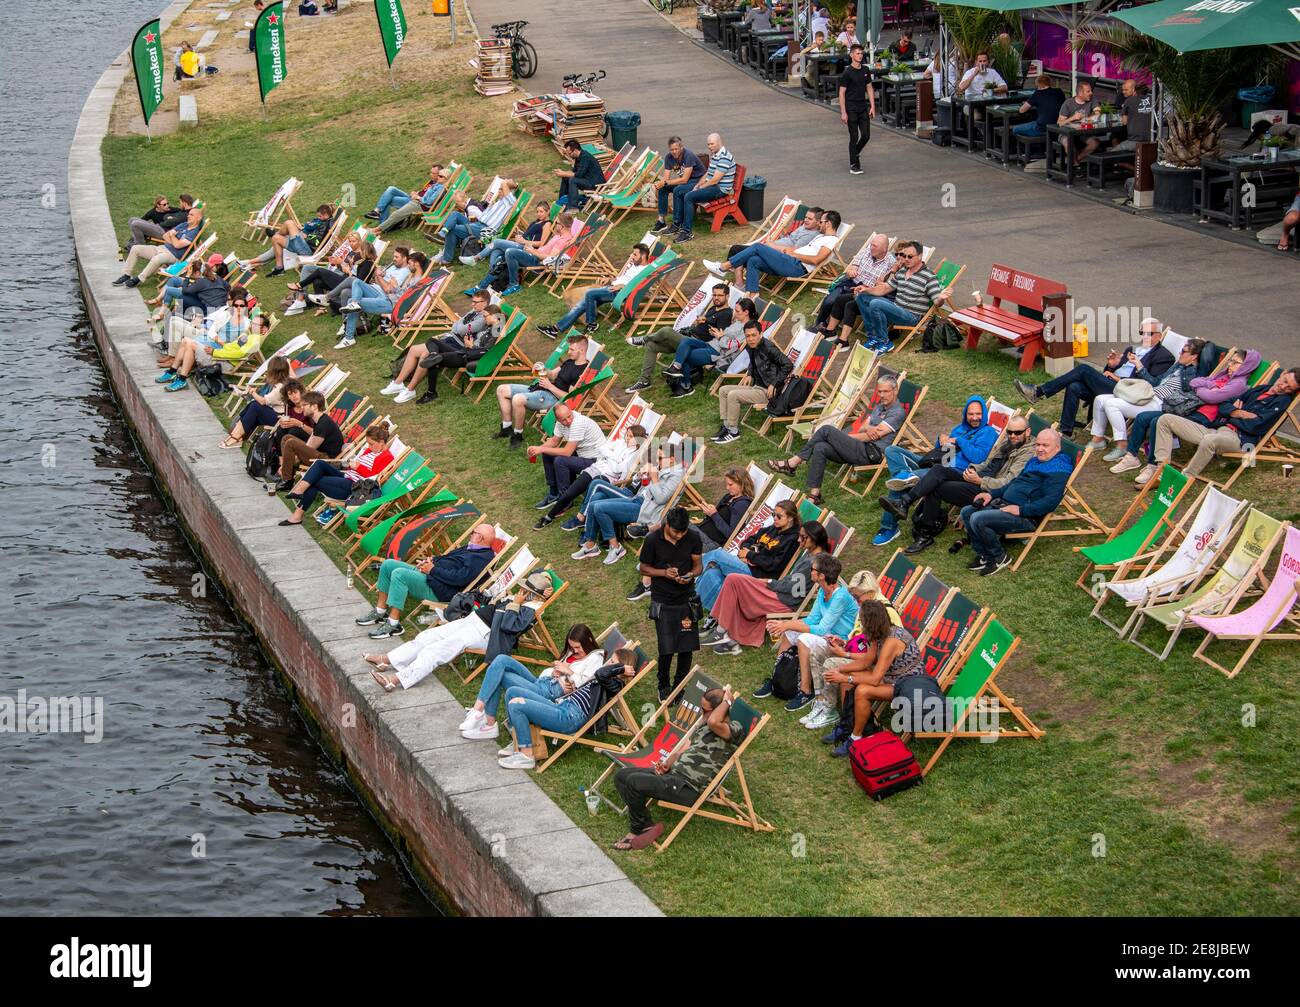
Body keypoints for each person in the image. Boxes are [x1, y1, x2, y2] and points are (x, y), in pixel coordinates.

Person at [365, 573, 554, 692]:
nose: (520, 590)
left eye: (525, 589)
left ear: (531, 594)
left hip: (484, 634)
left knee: (435, 651)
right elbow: (541, 575)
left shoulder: (532, 609)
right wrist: (543, 580)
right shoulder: (525, 600)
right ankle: (387, 660)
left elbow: (510, 627)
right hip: (471, 622)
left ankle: (395, 680)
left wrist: (515, 603)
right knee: (427, 637)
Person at [611, 684, 746, 849]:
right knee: (622, 776)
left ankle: (639, 829)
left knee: (633, 782)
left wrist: (728, 701)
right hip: (673, 775)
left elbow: (713, 721)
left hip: (688, 788)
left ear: (721, 710)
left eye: (705, 710)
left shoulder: (734, 729)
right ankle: (645, 823)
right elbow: (690, 750)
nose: (702, 713)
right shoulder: (705, 726)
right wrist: (669, 762)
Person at [886, 415, 1034, 555]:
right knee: (938, 470)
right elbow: (985, 463)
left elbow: (1009, 481)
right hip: (968, 473)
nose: (1013, 435)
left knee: (936, 486)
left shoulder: (1021, 449)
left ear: (1028, 431)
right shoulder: (968, 431)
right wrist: (973, 470)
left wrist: (980, 480)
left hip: (989, 491)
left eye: (1018, 432)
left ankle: (925, 535)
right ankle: (905, 502)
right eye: (1010, 432)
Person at [1013, 318, 1173, 437]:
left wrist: (1130, 372)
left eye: (1148, 333)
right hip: (1110, 386)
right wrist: (1111, 365)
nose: (1144, 336)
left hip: (1127, 393)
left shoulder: (1163, 356)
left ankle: (1038, 392)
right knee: (1074, 385)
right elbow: (1107, 373)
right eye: (1141, 332)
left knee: (1083, 369)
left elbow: (1150, 385)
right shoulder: (1132, 348)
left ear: (1158, 336)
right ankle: (1066, 430)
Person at [875, 395, 999, 545]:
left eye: (978, 414)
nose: (974, 417)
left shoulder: (989, 433)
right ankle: (906, 476)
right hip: (937, 463)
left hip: (951, 472)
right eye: (970, 414)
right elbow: (940, 452)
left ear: (984, 414)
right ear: (965, 414)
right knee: (892, 450)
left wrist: (958, 440)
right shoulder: (959, 428)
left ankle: (889, 528)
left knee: (899, 483)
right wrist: (941, 439)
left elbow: (978, 457)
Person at [768, 373, 904, 507]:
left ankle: (794, 462)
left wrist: (845, 438)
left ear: (895, 390)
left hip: (871, 453)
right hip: (859, 447)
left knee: (826, 430)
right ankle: (815, 495)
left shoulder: (897, 412)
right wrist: (868, 428)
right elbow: (864, 428)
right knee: (820, 447)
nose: (882, 395)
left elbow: (870, 436)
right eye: (879, 391)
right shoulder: (880, 407)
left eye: (886, 391)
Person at [496, 648, 639, 771]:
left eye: (613, 662)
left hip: (569, 717)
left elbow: (601, 674)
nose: (608, 663)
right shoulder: (607, 677)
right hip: (561, 706)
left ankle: (526, 755)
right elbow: (600, 674)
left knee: (516, 705)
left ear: (624, 667)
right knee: (513, 692)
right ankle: (518, 742)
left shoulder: (615, 684)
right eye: (611, 661)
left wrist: (619, 669)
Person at [1148, 368, 1299, 483]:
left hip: (1239, 440)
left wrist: (1233, 413)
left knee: (1209, 441)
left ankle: (1184, 479)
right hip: (1217, 429)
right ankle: (1160, 472)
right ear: (1283, 373)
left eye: (1289, 388)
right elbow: (1224, 405)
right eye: (1284, 380)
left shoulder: (1282, 402)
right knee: (1166, 419)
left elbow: (1256, 426)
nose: (1283, 387)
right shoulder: (1262, 389)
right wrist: (1239, 413)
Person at [457, 624, 605, 740]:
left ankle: (486, 721)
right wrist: (554, 672)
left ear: (589, 641)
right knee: (501, 660)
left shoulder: (595, 658)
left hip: (548, 693)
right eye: (571, 647)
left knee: (500, 673)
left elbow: (588, 684)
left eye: (577, 647)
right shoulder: (573, 652)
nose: (574, 650)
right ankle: (479, 712)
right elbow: (557, 671)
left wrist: (568, 672)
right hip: (542, 682)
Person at [959, 427, 1073, 575]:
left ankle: (999, 557)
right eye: (1037, 444)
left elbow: (1051, 501)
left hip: (1026, 517)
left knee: (978, 518)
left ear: (1057, 448)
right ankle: (984, 555)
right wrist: (991, 495)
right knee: (967, 512)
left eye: (1045, 445)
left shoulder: (1059, 469)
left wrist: (1021, 510)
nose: (1039, 449)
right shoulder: (1034, 462)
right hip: (1004, 505)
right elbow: (1013, 483)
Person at [704, 520, 829, 655]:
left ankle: (721, 631)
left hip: (783, 601)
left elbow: (794, 589)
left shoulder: (813, 563)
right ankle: (722, 630)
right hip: (779, 592)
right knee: (733, 580)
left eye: (803, 537)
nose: (799, 540)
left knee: (734, 580)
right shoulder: (809, 553)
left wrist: (769, 582)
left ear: (814, 538)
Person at [355, 521, 499, 637]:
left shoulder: (481, 559)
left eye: (474, 532)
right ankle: (380, 612)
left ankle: (393, 624)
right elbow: (448, 558)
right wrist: (432, 561)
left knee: (399, 574)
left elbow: (459, 579)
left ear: (479, 537)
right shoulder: (472, 548)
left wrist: (433, 569)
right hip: (432, 575)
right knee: (388, 564)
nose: (471, 534)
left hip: (440, 589)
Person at [752, 554, 856, 712]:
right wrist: (786, 626)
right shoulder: (822, 591)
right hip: (827, 633)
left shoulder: (840, 597)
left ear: (821, 575)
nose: (810, 572)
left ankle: (806, 691)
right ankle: (777, 680)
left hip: (840, 640)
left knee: (804, 640)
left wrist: (786, 624)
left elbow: (820, 629)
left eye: (812, 569)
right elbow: (812, 619)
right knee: (790, 633)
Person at [821, 599, 922, 757]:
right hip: (890, 678)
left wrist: (844, 678)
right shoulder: (880, 634)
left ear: (871, 622)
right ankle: (847, 726)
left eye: (863, 620)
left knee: (862, 690)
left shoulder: (892, 641)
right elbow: (867, 661)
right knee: (847, 677)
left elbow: (875, 679)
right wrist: (840, 669)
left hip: (906, 685)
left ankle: (856, 738)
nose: (861, 623)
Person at [1088, 338, 1205, 463]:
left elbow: (1190, 394)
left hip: (1158, 403)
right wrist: (1138, 364)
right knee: (1100, 399)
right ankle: (1098, 439)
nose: (1180, 353)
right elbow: (1155, 382)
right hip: (1148, 395)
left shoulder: (1193, 375)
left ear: (1194, 357)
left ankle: (1122, 445)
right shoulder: (1178, 366)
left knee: (1111, 404)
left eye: (1184, 351)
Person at [572, 444, 685, 565]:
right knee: (594, 502)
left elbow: (661, 499)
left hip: (645, 509)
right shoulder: (663, 467)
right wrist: (643, 477)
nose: (658, 461)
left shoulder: (676, 475)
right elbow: (647, 487)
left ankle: (615, 548)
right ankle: (590, 545)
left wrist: (655, 478)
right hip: (638, 500)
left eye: (661, 458)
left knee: (599, 507)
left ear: (672, 459)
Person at [380, 291, 495, 403]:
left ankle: (410, 389)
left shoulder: (481, 319)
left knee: (426, 354)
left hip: (458, 344)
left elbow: (459, 329)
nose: (472, 304)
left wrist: (458, 325)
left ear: (485, 303)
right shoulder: (474, 311)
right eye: (472, 301)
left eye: (476, 302)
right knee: (414, 349)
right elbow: (455, 325)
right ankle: (398, 383)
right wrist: (458, 324)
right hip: (451, 338)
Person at [637, 507, 704, 700]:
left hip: (686, 598)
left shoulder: (692, 538)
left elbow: (698, 565)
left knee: (686, 646)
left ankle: (680, 685)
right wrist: (663, 573)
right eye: (676, 532)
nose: (679, 535)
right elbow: (643, 568)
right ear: (667, 525)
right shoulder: (652, 540)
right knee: (666, 648)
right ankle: (663, 684)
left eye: (683, 532)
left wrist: (690, 575)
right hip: (663, 599)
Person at [279, 422, 395, 528]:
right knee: (319, 463)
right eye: (368, 444)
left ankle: (297, 512)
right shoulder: (370, 451)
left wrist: (358, 467)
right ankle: (298, 493)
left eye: (371, 444)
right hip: (346, 476)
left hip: (354, 487)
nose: (369, 447)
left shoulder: (387, 457)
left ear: (381, 442)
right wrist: (350, 464)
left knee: (313, 481)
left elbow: (372, 479)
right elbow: (356, 466)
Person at [625, 282, 733, 393]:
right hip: (687, 338)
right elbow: (706, 324)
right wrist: (701, 321)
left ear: (727, 296)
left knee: (666, 331)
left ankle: (644, 339)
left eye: (720, 295)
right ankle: (644, 382)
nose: (716, 298)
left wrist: (707, 323)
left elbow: (719, 336)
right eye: (714, 295)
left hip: (696, 344)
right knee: (652, 346)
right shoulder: (713, 309)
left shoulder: (727, 314)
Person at [536, 424, 648, 531]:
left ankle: (581, 517)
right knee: (571, 491)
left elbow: (617, 469)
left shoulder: (635, 454)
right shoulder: (620, 442)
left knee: (593, 485)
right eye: (627, 435)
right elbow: (602, 448)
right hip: (595, 468)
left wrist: (608, 457)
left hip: (609, 478)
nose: (627, 438)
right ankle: (549, 516)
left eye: (631, 436)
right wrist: (614, 457)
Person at [702, 211, 841, 295]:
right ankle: (752, 293)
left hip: (796, 265)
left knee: (757, 247)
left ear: (828, 224)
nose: (819, 224)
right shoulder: (822, 237)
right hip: (791, 260)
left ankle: (723, 267)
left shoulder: (831, 241)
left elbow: (817, 260)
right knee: (753, 260)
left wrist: (794, 254)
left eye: (821, 222)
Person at [695, 499, 800, 610]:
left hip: (759, 574)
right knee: (712, 574)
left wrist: (750, 555)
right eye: (773, 514)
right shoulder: (774, 528)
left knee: (717, 555)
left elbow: (775, 565)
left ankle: (691, 576)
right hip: (747, 563)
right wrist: (745, 551)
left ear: (790, 518)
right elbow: (750, 539)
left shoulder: (793, 539)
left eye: (779, 516)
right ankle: (715, 612)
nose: (774, 518)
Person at [852, 239, 949, 352]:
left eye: (910, 256)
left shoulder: (929, 276)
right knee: (861, 297)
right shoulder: (903, 271)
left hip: (911, 316)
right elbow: (886, 288)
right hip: (896, 308)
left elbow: (937, 301)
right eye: (904, 255)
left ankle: (884, 342)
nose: (906, 259)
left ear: (920, 256)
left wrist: (941, 299)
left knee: (876, 303)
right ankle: (874, 337)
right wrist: (866, 290)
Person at [493, 334, 589, 448]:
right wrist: (542, 370)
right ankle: (506, 428)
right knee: (501, 390)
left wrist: (550, 387)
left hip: (553, 398)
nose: (568, 352)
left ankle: (517, 435)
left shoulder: (583, 372)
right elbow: (553, 374)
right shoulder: (569, 362)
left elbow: (569, 397)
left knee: (517, 399)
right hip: (541, 389)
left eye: (572, 349)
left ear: (582, 350)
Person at [537, 243, 650, 339]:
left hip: (621, 293)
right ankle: (555, 329)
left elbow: (639, 286)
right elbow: (623, 278)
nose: (632, 256)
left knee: (590, 294)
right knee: (581, 305)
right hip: (612, 287)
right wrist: (610, 279)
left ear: (643, 255)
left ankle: (592, 323)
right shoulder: (635, 265)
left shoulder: (646, 269)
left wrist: (622, 286)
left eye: (635, 254)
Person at [713, 319, 795, 444]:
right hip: (757, 387)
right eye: (747, 336)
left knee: (733, 395)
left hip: (769, 393)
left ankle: (733, 432)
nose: (750, 339)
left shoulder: (769, 348)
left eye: (753, 335)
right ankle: (727, 426)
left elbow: (788, 364)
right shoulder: (751, 346)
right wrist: (750, 373)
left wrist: (775, 383)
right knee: (723, 390)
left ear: (761, 334)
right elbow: (753, 361)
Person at [815, 231, 896, 348]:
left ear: (884, 249)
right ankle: (824, 327)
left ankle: (841, 338)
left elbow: (884, 287)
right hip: (851, 283)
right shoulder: (866, 252)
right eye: (871, 244)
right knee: (831, 300)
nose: (871, 248)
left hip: (867, 291)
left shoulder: (891, 264)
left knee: (848, 304)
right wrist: (851, 271)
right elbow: (853, 267)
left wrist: (868, 288)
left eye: (875, 246)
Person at [662, 296, 752, 396]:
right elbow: (726, 336)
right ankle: (676, 367)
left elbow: (733, 346)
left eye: (737, 311)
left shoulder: (748, 329)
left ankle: (686, 386)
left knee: (687, 355)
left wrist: (720, 337)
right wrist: (717, 333)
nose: (735, 313)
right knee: (686, 341)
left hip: (719, 353)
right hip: (712, 344)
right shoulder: (738, 321)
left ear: (746, 312)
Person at [336, 246, 421, 349]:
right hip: (388, 297)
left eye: (410, 263)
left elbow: (405, 299)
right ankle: (352, 315)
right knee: (356, 283)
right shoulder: (412, 277)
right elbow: (397, 291)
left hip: (392, 304)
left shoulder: (418, 282)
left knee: (351, 300)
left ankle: (349, 337)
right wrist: (395, 287)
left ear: (416, 264)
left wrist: (395, 288)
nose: (408, 264)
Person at [527, 404, 608, 511]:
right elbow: (554, 441)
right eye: (564, 420)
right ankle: (553, 494)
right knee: (548, 453)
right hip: (582, 455)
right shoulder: (560, 423)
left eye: (569, 416)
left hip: (597, 461)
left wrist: (542, 449)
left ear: (571, 411)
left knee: (560, 460)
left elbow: (567, 452)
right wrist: (537, 449)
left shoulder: (578, 423)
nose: (568, 421)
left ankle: (565, 501)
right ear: (557, 419)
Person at [463, 200, 553, 290]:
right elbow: (529, 236)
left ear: (548, 211)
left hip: (527, 249)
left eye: (541, 211)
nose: (539, 214)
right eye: (537, 211)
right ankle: (492, 276)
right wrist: (519, 236)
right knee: (496, 251)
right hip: (520, 243)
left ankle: (475, 258)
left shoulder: (547, 224)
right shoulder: (536, 222)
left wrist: (524, 241)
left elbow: (542, 243)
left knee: (496, 242)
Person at [271, 390, 345, 493]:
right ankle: (286, 475)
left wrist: (289, 462)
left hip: (326, 460)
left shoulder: (323, 424)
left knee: (290, 443)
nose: (302, 408)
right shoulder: (319, 420)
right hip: (320, 454)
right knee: (286, 437)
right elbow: (309, 443)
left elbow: (309, 448)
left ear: (314, 406)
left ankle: (286, 480)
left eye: (304, 405)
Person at [114, 205, 203, 288]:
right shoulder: (184, 225)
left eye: (191, 215)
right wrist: (174, 240)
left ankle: (138, 279)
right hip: (162, 248)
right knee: (135, 248)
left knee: (157, 259)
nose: (188, 216)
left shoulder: (194, 232)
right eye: (188, 214)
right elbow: (165, 236)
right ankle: (126, 275)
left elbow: (178, 245)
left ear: (198, 218)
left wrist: (172, 236)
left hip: (173, 256)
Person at [220, 358, 295, 448]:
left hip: (280, 419)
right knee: (253, 406)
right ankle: (236, 436)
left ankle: (236, 437)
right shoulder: (289, 381)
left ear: (273, 372)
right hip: (279, 414)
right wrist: (288, 362)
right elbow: (294, 376)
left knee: (255, 406)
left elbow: (263, 401)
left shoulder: (280, 388)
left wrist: (252, 392)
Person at [675, 133, 736, 243]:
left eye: (712, 144)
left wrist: (701, 187)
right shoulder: (715, 155)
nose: (709, 146)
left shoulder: (724, 157)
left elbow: (715, 179)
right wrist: (698, 185)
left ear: (719, 142)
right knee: (679, 190)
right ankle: (677, 223)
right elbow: (708, 173)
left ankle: (686, 232)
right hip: (713, 186)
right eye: (708, 144)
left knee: (689, 196)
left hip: (720, 190)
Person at [498, 213, 577, 296]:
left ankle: (514, 284)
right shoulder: (559, 235)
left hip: (538, 261)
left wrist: (532, 251)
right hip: (535, 253)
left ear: (562, 226)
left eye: (556, 223)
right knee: (502, 254)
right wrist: (531, 249)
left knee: (510, 252)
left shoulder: (563, 240)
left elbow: (550, 258)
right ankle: (492, 284)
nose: (555, 225)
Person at [440, 179, 518, 264]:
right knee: (455, 214)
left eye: (501, 189)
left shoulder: (510, 202)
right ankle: (445, 232)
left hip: (484, 229)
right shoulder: (501, 201)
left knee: (452, 229)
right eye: (499, 189)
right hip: (477, 224)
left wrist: (512, 184)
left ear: (508, 192)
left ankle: (446, 257)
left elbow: (505, 182)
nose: (498, 191)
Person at [651, 136, 706, 235]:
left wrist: (666, 182)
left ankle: (677, 223)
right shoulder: (668, 157)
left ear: (681, 147)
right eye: (671, 149)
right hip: (687, 181)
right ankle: (661, 221)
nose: (674, 151)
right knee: (663, 188)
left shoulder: (688, 155)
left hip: (698, 181)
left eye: (676, 149)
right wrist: (660, 183)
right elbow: (666, 178)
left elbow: (684, 180)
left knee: (678, 190)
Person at [367, 163, 448, 227]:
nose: (430, 174)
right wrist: (416, 193)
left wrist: (417, 197)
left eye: (433, 173)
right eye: (430, 172)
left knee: (389, 198)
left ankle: (381, 219)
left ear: (439, 174)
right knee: (391, 189)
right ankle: (377, 212)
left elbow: (428, 201)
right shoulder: (432, 182)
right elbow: (424, 192)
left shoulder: (439, 186)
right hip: (413, 198)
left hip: (417, 202)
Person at [838, 44, 877, 176]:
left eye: (861, 53)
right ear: (851, 55)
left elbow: (870, 88)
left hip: (863, 107)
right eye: (857, 53)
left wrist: (872, 106)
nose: (860, 55)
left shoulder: (865, 70)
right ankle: (854, 164)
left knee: (866, 135)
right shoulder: (847, 72)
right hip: (851, 108)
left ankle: (855, 153)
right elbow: (842, 92)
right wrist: (843, 112)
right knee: (854, 136)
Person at [695, 468, 756, 550]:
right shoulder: (729, 496)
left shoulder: (741, 504)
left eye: (730, 485)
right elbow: (716, 517)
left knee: (676, 531)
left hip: (710, 542)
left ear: (742, 484)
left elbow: (731, 534)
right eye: (726, 484)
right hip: (701, 532)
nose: (727, 487)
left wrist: (714, 514)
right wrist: (709, 512)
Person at [124, 193, 194, 252]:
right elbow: (167, 217)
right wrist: (169, 217)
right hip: (159, 227)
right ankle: (133, 244)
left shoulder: (185, 214)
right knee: (132, 219)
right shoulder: (183, 211)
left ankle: (141, 249)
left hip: (164, 232)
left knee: (135, 224)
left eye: (180, 202)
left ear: (184, 203)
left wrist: (170, 218)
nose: (180, 204)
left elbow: (170, 222)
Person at [1057, 81, 1102, 165]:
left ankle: (1076, 161)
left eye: (1090, 90)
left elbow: (1098, 114)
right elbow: (1060, 123)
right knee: (1069, 144)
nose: (1091, 93)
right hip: (1066, 133)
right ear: (1080, 93)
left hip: (1083, 133)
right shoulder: (1068, 103)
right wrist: (1073, 118)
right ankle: (1074, 166)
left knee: (1095, 142)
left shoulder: (1092, 100)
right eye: (1088, 91)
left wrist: (1085, 119)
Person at [1014, 74, 1066, 143]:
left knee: (1015, 129)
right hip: (1057, 126)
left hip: (1042, 128)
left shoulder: (1037, 94)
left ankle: (1029, 149)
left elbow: (1021, 110)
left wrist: (1030, 103)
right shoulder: (1059, 92)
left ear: (1039, 85)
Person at [555, 139, 604, 210]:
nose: (569, 155)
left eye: (569, 153)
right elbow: (573, 172)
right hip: (587, 180)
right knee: (566, 177)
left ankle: (573, 207)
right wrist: (563, 172)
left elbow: (578, 175)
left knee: (573, 180)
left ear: (575, 150)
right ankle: (562, 201)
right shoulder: (578, 158)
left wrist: (564, 173)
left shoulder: (585, 157)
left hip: (595, 184)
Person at [1113, 78, 1153, 152]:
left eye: (1126, 90)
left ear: (1134, 90)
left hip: (1134, 142)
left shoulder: (1129, 101)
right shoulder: (1153, 100)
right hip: (1153, 140)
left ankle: (1129, 163)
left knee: (1111, 154)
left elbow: (1124, 122)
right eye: (1123, 90)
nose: (1123, 92)